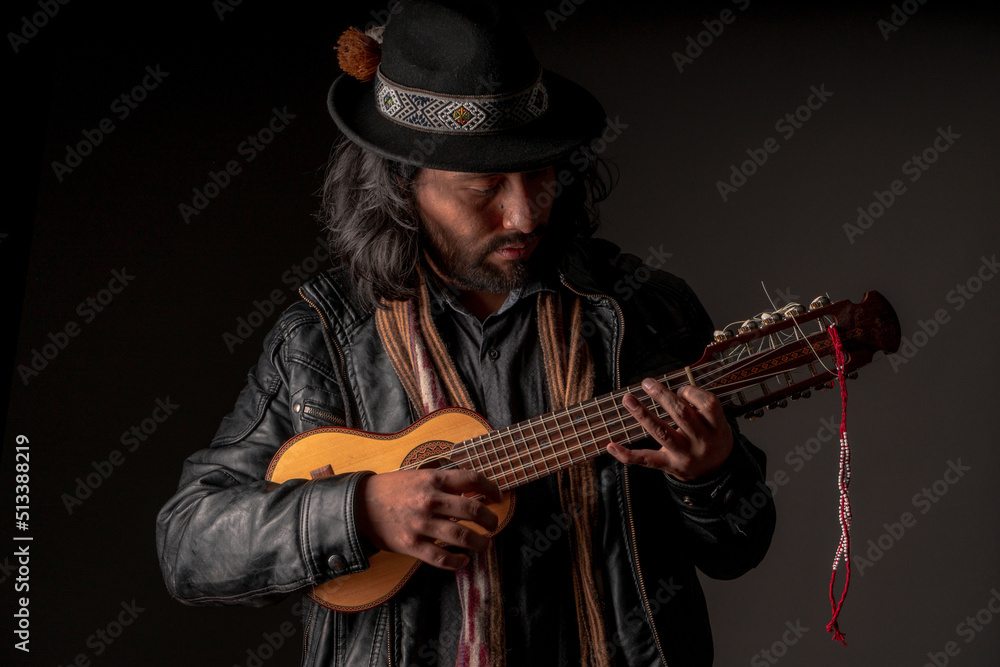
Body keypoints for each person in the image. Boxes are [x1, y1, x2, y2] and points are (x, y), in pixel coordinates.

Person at [155, 1, 775, 665]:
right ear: (402, 183)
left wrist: (710, 475)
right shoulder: (322, 338)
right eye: (484, 185)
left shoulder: (640, 310)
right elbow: (189, 544)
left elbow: (739, 548)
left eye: (539, 173)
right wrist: (360, 511)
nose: (523, 213)